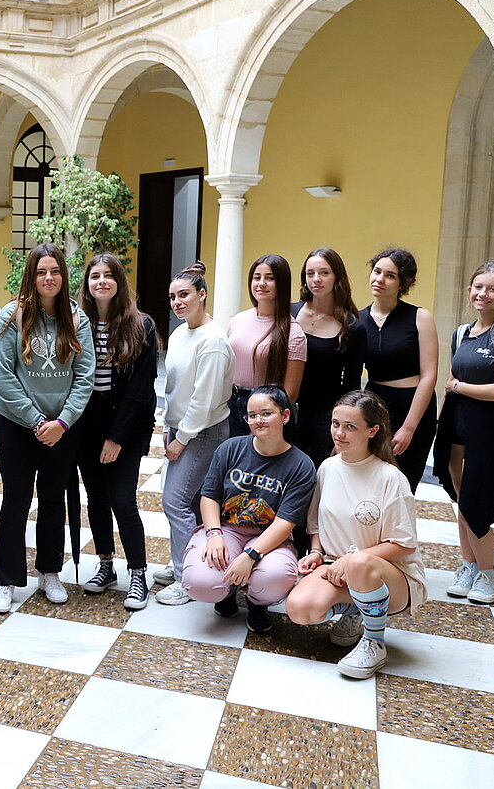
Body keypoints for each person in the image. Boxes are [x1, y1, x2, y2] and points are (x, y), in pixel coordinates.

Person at [286, 390, 426, 679]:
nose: (340, 433)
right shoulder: (327, 467)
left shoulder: (391, 477)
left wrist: (352, 561)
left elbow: (403, 545)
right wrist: (315, 552)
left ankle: (374, 642)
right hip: (338, 567)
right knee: (300, 609)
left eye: (351, 427)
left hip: (391, 577)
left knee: (360, 564)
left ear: (373, 431)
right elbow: (315, 524)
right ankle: (357, 613)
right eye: (336, 424)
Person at [0, 243, 95, 614]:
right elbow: (3, 378)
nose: (48, 278)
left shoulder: (76, 319)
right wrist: (36, 421)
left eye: (55, 271)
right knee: (15, 499)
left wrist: (61, 422)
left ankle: (49, 571)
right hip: (17, 425)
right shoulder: (8, 317)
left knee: (53, 499)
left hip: (62, 428)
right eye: (40, 272)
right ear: (30, 276)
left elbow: (85, 378)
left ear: (64, 277)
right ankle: (5, 580)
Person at [182, 385, 315, 632]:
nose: (258, 420)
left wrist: (250, 555)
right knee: (198, 581)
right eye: (252, 415)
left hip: (271, 538)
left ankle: (257, 603)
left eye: (266, 413)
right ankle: (226, 592)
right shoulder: (230, 448)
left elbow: (285, 523)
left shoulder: (301, 465)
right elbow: (209, 496)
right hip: (228, 530)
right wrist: (213, 534)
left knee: (274, 578)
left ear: (285, 416)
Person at [434, 261, 494, 604]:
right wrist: (441, 419)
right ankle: (468, 566)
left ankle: (487, 574)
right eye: (478, 287)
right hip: (455, 426)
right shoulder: (462, 332)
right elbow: (448, 384)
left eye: (492, 289)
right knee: (461, 500)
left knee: (476, 502)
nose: (483, 294)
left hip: (489, 428)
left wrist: (459, 386)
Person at [76, 253, 158, 610]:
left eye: (109, 276)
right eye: (95, 276)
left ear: (119, 282)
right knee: (96, 499)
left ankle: (138, 572)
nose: (102, 282)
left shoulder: (142, 325)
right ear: (87, 284)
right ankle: (106, 564)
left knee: (123, 500)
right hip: (86, 424)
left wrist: (117, 438)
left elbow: (142, 388)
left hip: (126, 424)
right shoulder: (77, 322)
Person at [155, 263, 236, 607]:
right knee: (186, 503)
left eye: (184, 294)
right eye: (172, 296)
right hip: (181, 428)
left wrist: (181, 438)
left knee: (175, 502)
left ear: (202, 295)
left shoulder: (214, 340)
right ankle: (186, 562)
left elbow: (203, 401)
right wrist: (167, 425)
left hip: (203, 432)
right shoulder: (179, 334)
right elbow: (173, 388)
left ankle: (184, 576)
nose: (177, 302)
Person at [360, 248, 438, 493]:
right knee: (371, 485)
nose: (379, 279)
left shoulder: (419, 317)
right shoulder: (356, 319)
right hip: (374, 406)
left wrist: (409, 427)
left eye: (390, 275)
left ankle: (399, 533)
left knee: (402, 487)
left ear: (403, 283)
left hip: (413, 406)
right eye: (376, 271)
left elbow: (429, 375)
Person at [290, 248, 365, 465]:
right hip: (288, 409)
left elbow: (351, 385)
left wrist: (343, 430)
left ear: (337, 278)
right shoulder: (290, 312)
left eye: (324, 273)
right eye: (310, 273)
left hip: (325, 417)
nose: (316, 279)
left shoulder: (352, 327)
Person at [226, 255, 306, 437]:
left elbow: (290, 394)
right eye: (257, 277)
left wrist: (263, 413)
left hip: (264, 410)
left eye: (270, 278)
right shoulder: (239, 319)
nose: (261, 283)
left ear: (282, 283)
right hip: (230, 403)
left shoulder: (293, 332)